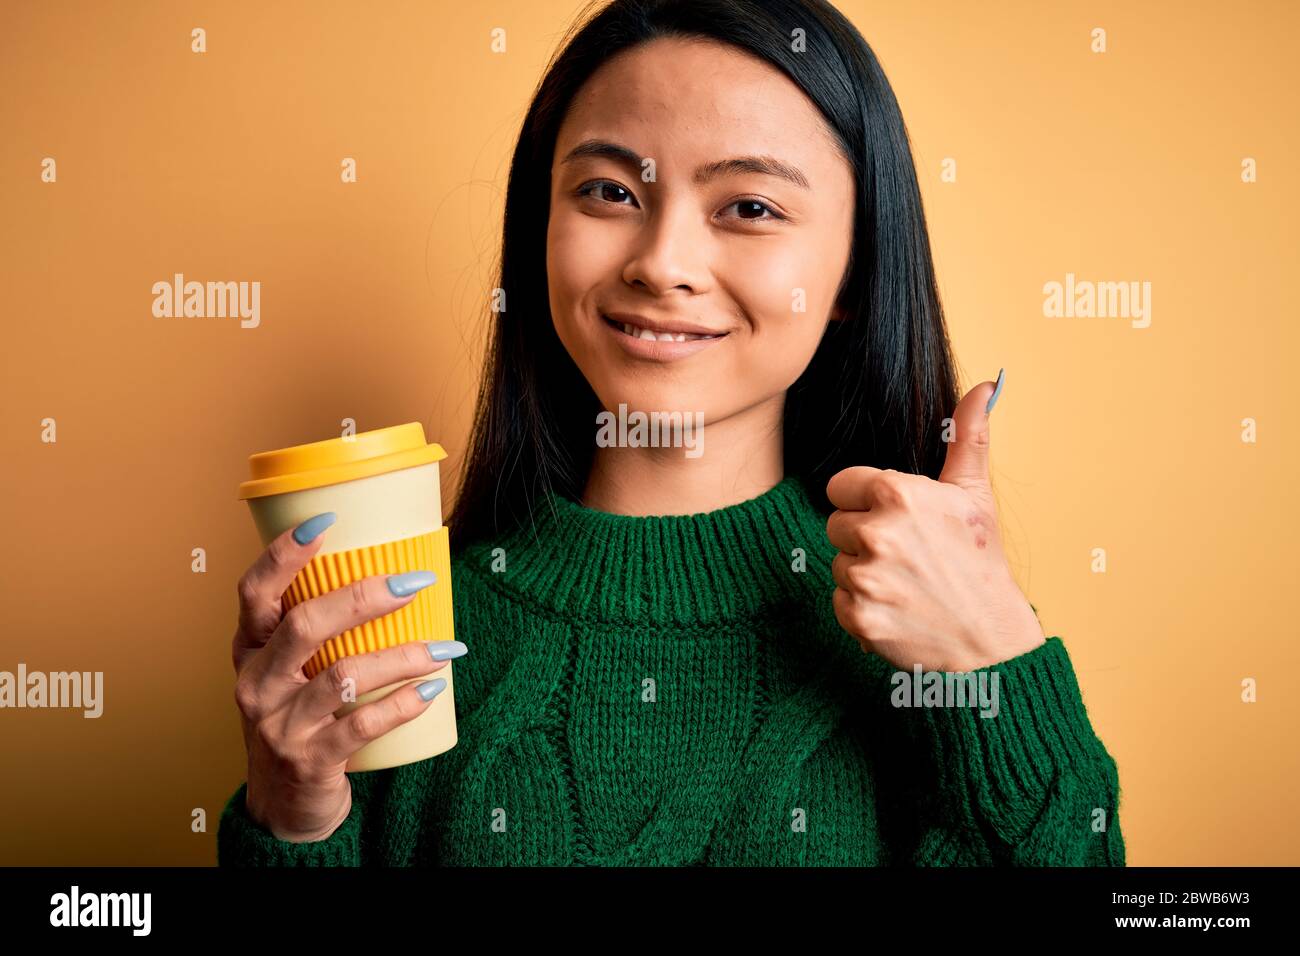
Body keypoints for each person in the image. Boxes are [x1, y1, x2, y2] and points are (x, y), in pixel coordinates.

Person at [218, 0, 1125, 866]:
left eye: (750, 207)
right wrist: (294, 820)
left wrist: (997, 657)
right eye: (609, 191)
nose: (661, 264)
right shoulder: (403, 648)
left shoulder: (938, 638)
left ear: (854, 271)